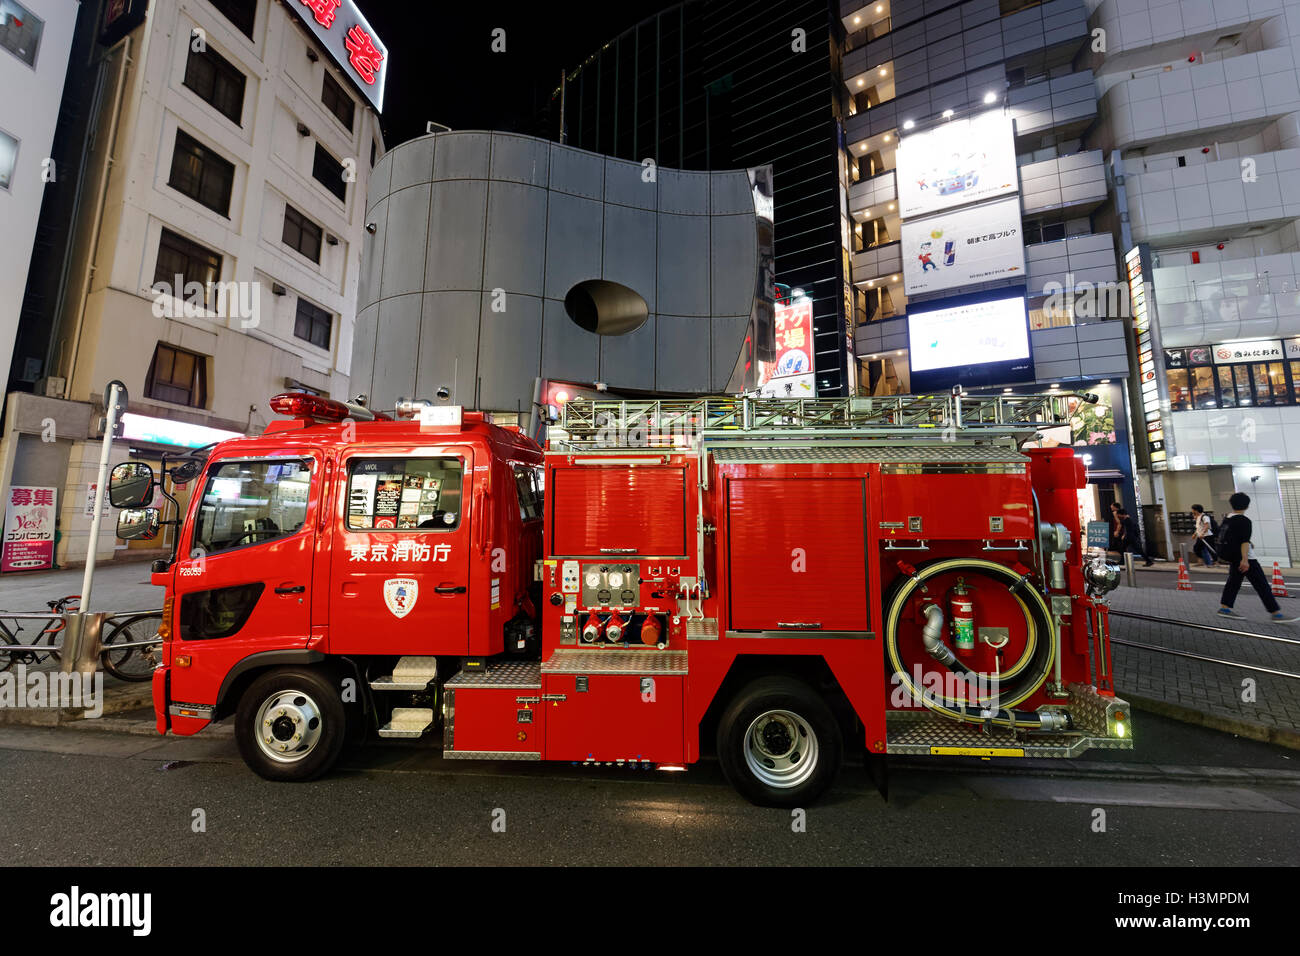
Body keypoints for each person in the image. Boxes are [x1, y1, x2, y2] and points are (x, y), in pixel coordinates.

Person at [1217, 492, 1290, 622]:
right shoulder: (1244, 521)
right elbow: (1244, 541)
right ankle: (1276, 613)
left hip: (1234, 557)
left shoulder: (1227, 518)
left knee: (1233, 583)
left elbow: (1234, 537)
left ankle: (1225, 608)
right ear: (1247, 505)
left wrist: (1248, 544)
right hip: (1246, 559)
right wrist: (1245, 559)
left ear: (1232, 504)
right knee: (1262, 585)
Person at [1190, 504, 1217, 568]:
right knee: (1197, 548)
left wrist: (1202, 533)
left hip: (1207, 536)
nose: (1192, 511)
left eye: (1193, 510)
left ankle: (1216, 563)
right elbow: (1199, 527)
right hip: (1200, 537)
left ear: (1196, 510)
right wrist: (1195, 534)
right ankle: (1200, 562)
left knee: (1211, 549)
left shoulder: (1205, 517)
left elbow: (1207, 526)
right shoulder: (1198, 517)